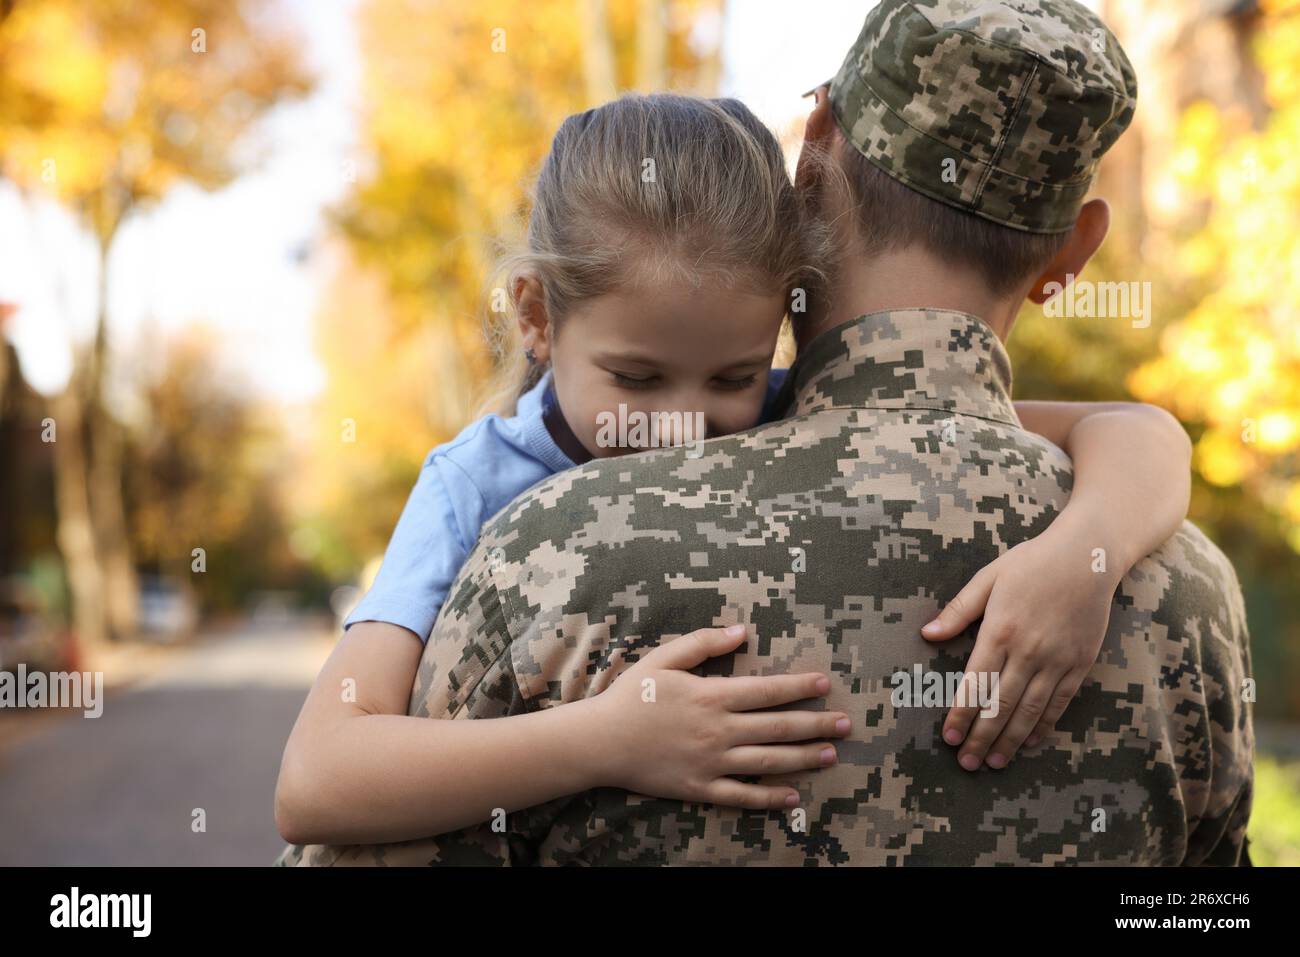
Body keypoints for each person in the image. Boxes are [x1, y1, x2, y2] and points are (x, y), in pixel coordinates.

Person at [275, 0, 1253, 865]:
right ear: (1080, 247)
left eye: (732, 376)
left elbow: (1134, 429)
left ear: (813, 152)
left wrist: (1087, 555)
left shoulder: (566, 545)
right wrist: (603, 740)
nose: (680, 432)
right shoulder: (1192, 592)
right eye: (636, 377)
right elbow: (318, 773)